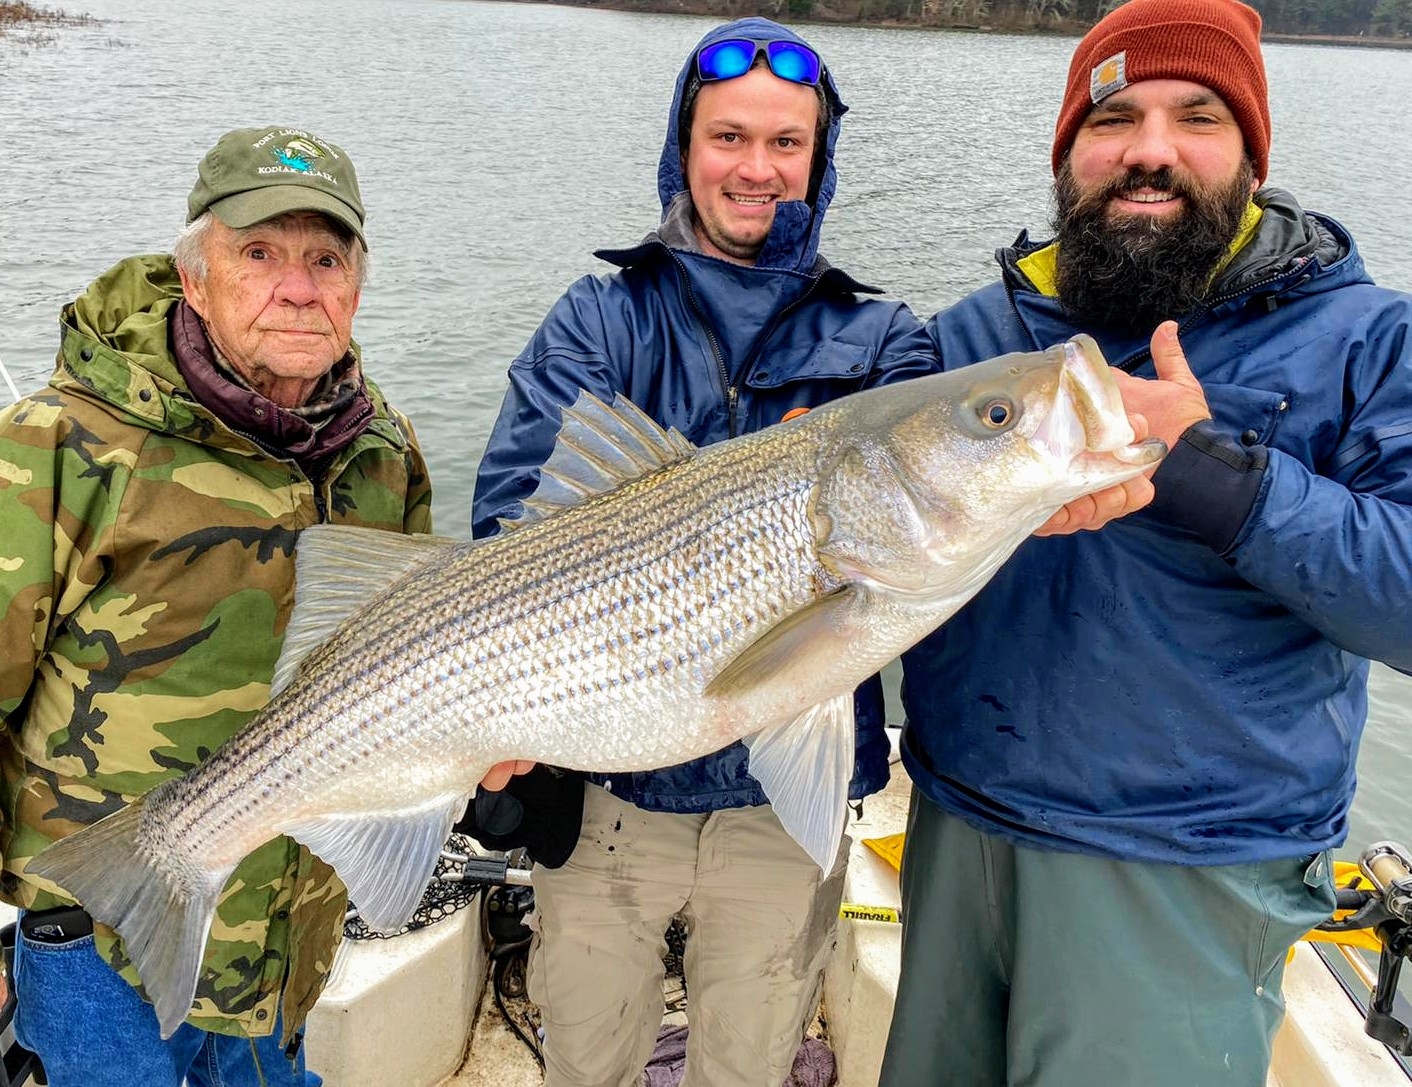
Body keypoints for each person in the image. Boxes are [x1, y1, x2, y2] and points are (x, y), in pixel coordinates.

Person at [883, 0, 1412, 1084]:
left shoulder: (1367, 341)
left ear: (1251, 156)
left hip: (1185, 861)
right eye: (1112, 117)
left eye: (1196, 116)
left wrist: (1210, 471)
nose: (1149, 151)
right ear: (1068, 150)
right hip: (958, 822)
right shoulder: (977, 337)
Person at [469, 19, 942, 1086]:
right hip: (605, 788)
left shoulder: (884, 344)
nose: (756, 168)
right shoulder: (598, 319)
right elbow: (508, 519)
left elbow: (915, 545)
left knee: (750, 1058)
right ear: (683, 147)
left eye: (787, 144)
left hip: (784, 798)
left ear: (820, 163)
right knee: (586, 1055)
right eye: (729, 136)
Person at [0, 125, 434, 1087]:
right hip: (98, 940)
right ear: (194, 277)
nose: (299, 285)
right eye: (260, 253)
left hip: (282, 948)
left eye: (326, 257)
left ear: (358, 284)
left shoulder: (385, 455)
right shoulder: (60, 444)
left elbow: (413, 671)